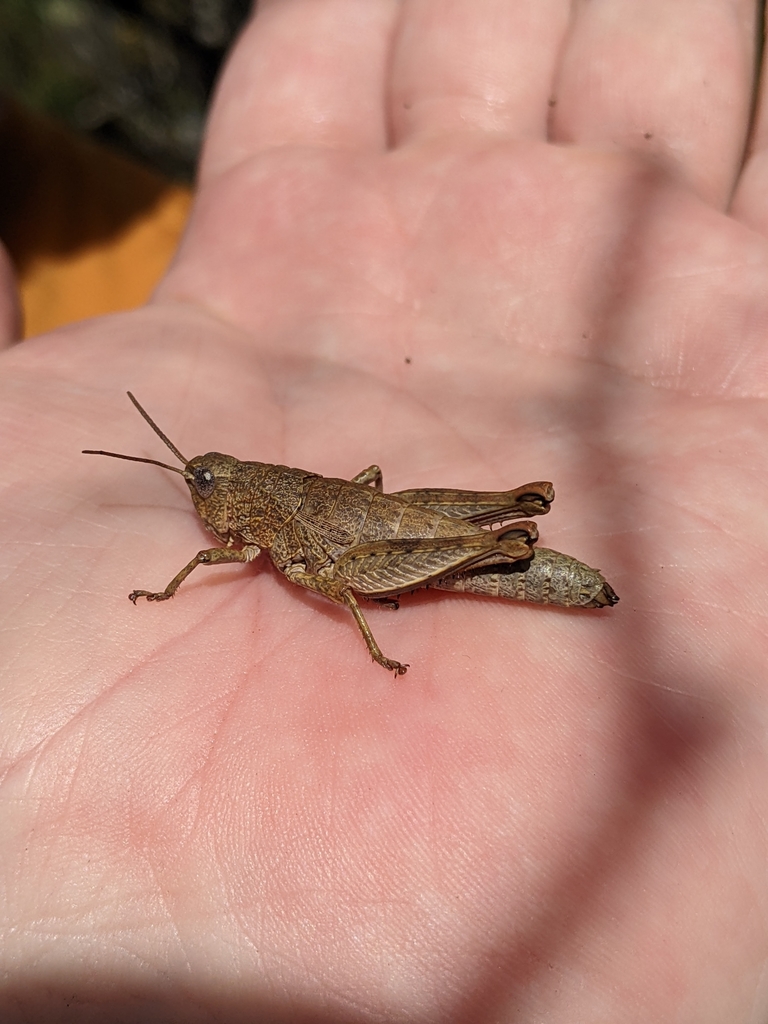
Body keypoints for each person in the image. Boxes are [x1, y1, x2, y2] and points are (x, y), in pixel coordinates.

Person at [1, 3, 766, 1020]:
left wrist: (373, 640)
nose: (207, 502)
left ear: (239, 493)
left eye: (208, 482)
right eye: (203, 481)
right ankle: (490, 540)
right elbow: (252, 536)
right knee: (362, 513)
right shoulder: (247, 512)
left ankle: (507, 535)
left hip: (391, 541)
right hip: (365, 525)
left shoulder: (270, 536)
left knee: (375, 533)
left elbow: (315, 554)